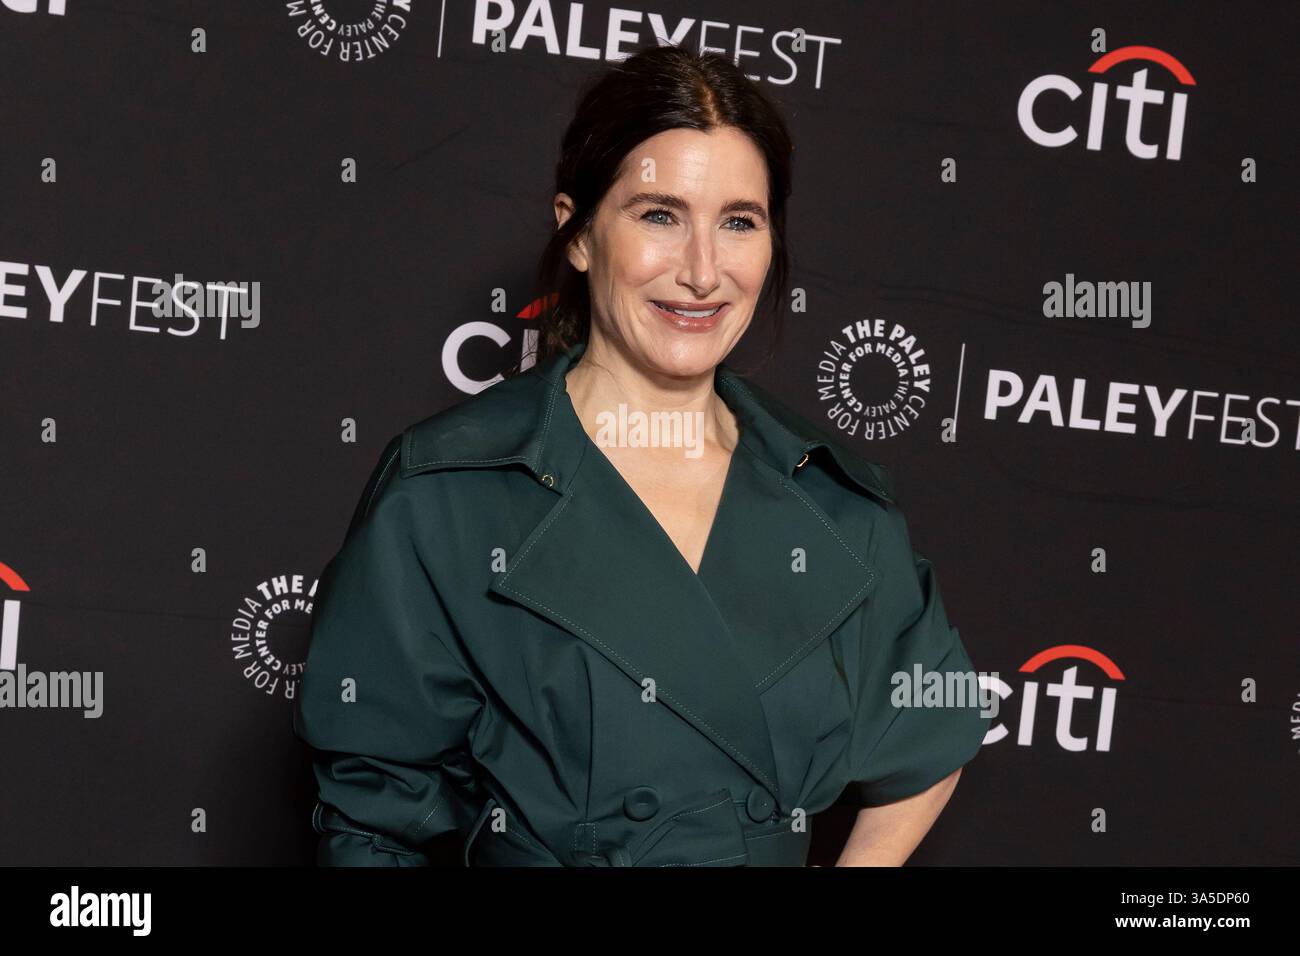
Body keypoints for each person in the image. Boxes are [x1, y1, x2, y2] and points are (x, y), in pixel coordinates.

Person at [292, 44, 990, 867]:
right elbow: (372, 821)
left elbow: (930, 724)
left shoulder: (833, 498)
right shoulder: (446, 494)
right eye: (660, 215)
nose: (702, 271)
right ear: (579, 233)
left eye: (739, 221)